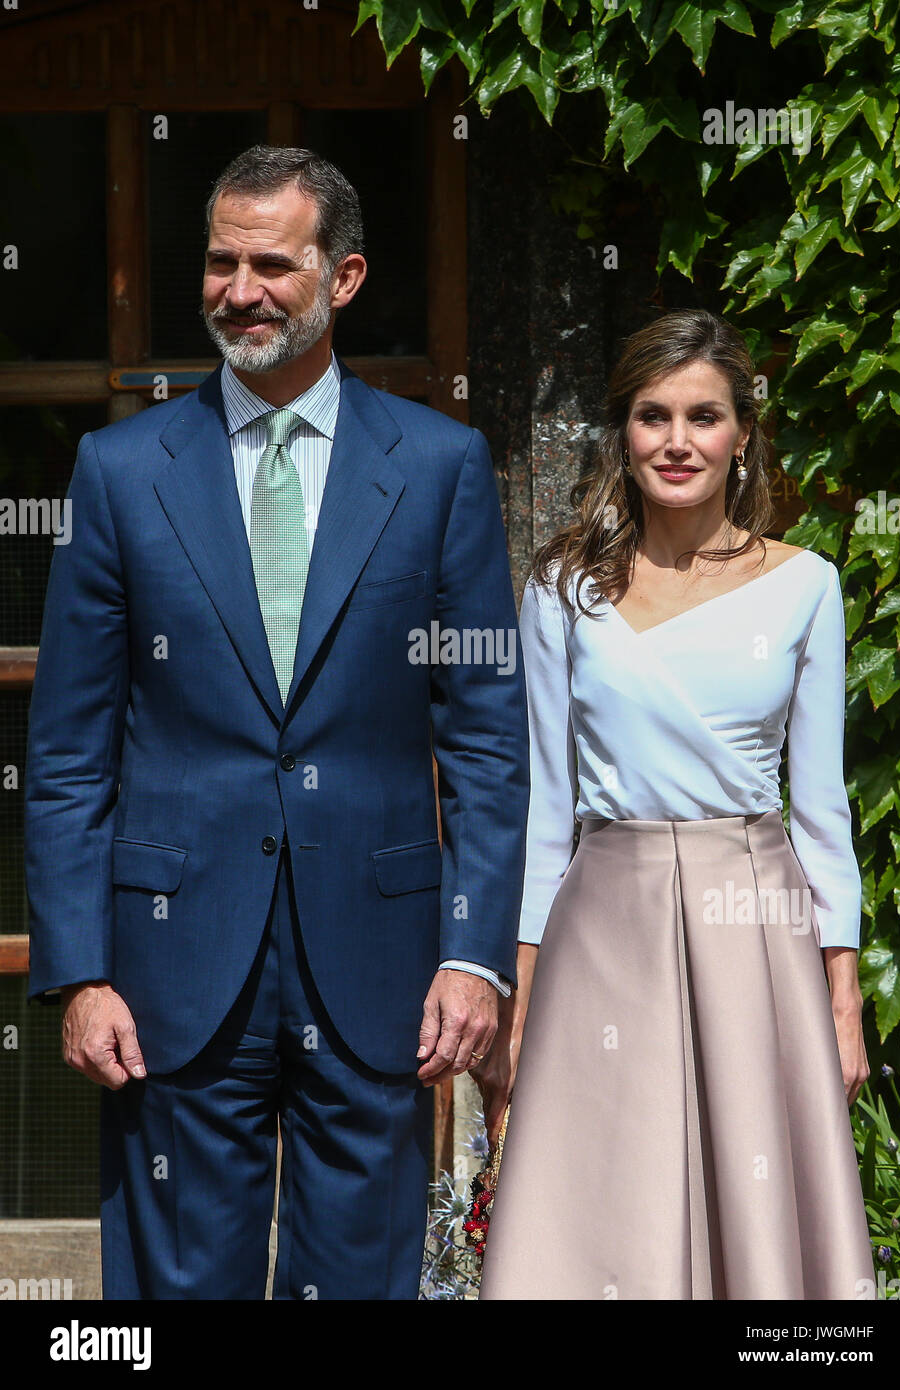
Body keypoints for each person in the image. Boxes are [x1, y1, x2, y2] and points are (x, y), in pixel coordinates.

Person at [24, 145, 529, 1300]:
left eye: (270, 264)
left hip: (385, 965)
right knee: (175, 1287)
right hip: (169, 966)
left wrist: (471, 952)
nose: (236, 290)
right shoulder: (119, 468)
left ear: (342, 277)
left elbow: (488, 741)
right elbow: (64, 752)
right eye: (217, 261)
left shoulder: (443, 468)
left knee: (360, 1280)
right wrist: (80, 970)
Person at [476, 309, 874, 1300]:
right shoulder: (562, 589)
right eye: (652, 416)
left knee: (758, 1210)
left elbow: (821, 813)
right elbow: (542, 812)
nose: (677, 441)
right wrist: (518, 1001)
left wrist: (842, 996)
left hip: (756, 928)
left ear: (741, 432)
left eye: (702, 416)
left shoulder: (806, 588)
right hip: (604, 928)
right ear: (623, 432)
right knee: (603, 1206)